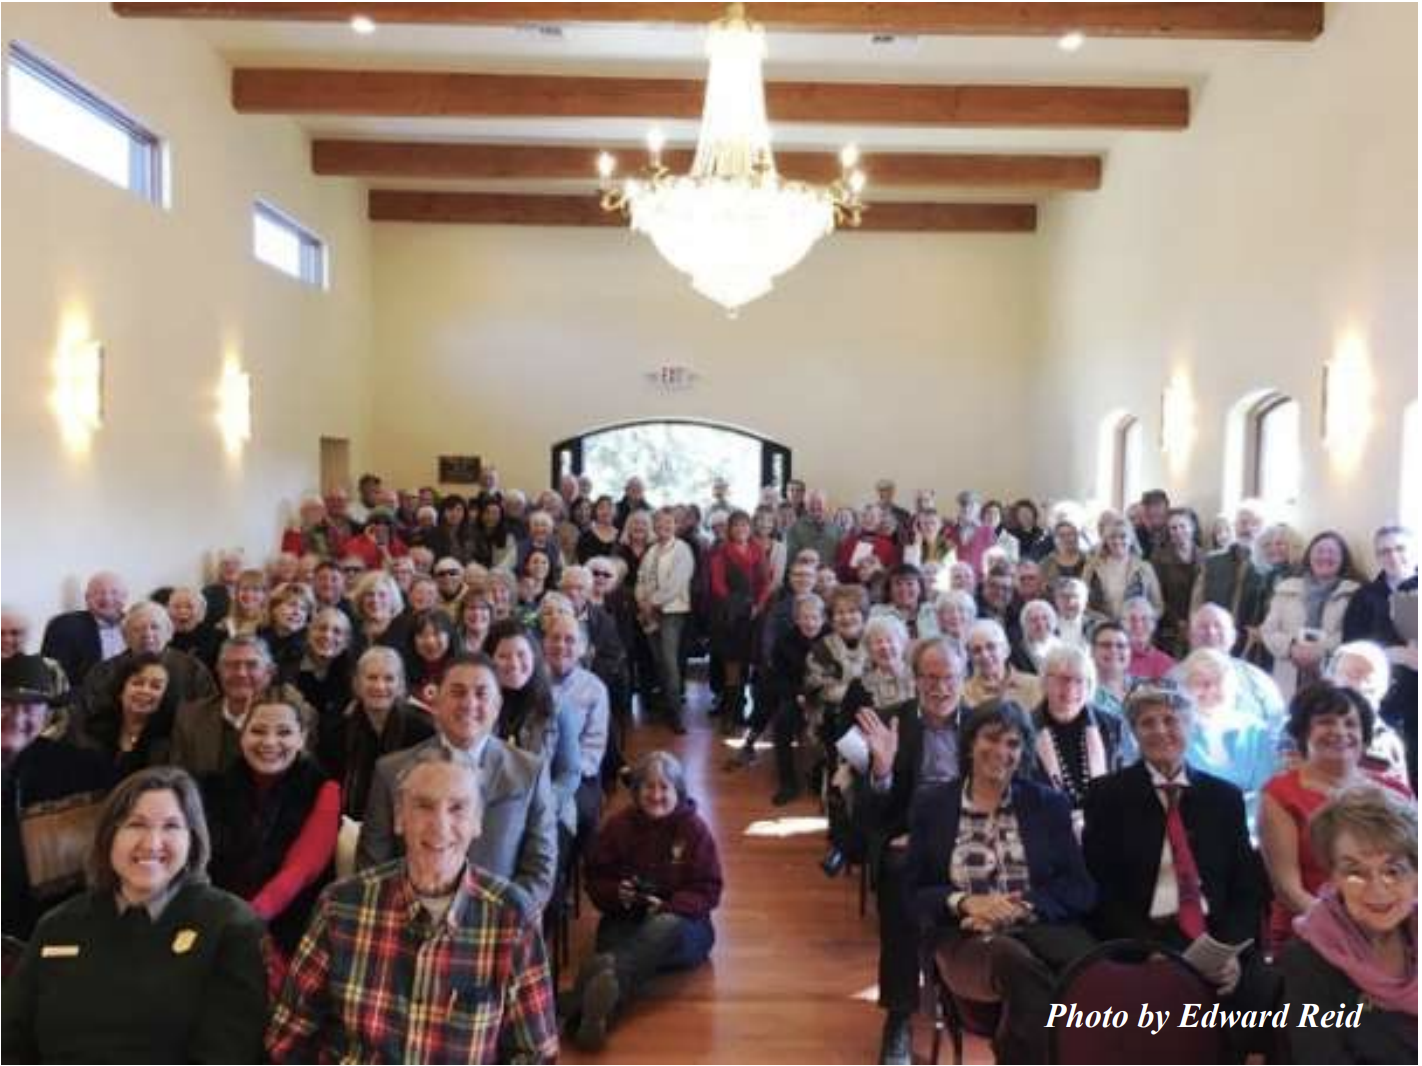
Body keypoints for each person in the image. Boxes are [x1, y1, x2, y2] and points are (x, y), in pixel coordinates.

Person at [266, 748, 559, 1063]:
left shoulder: (512, 916)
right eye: (424, 806)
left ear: (477, 823)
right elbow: (290, 1035)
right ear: (399, 818)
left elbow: (535, 1055)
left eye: (457, 808)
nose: (440, 825)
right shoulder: (340, 906)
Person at [2, 766, 268, 1062]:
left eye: (171, 826)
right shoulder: (58, 925)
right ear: (108, 835)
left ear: (192, 839)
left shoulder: (231, 925)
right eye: (136, 824)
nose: (152, 843)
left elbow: (226, 1054)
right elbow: (11, 1042)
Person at [1083, 685, 1273, 1053]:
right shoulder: (1107, 796)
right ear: (1134, 733)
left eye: (1171, 720)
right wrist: (1148, 950)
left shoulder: (1225, 797)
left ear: (1190, 726)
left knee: (1267, 996)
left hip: (1215, 937)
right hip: (1143, 938)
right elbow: (1101, 891)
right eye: (1147, 722)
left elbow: (1247, 889)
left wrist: (1231, 951)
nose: (1160, 730)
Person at [907, 699, 1097, 1065]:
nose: (1002, 751)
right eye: (992, 739)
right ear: (969, 743)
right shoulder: (933, 805)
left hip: (1039, 929)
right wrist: (964, 902)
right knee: (1012, 960)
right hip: (963, 939)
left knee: (1098, 970)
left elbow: (1080, 888)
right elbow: (912, 893)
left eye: (1013, 744)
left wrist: (1019, 906)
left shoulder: (1047, 805)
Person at [355, 653, 557, 911]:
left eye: (481, 694)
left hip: (497, 924)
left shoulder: (528, 771)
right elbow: (373, 865)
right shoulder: (391, 771)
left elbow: (540, 867)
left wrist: (505, 920)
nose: (469, 703)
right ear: (437, 701)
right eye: (457, 692)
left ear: (497, 706)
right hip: (407, 921)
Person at [855, 637, 970, 1063]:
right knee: (901, 881)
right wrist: (881, 771)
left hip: (970, 837)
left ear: (964, 678)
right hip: (908, 840)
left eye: (949, 678)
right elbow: (867, 815)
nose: (940, 688)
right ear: (916, 678)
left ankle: (973, 995)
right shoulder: (892, 723)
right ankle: (900, 1016)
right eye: (931, 678)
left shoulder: (981, 725)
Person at [574, 750, 723, 1051]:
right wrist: (618, 892)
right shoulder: (619, 827)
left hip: (683, 924)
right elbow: (595, 877)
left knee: (664, 928)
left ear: (677, 792)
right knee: (623, 944)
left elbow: (709, 889)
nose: (656, 795)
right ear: (637, 790)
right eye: (648, 787)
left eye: (664, 787)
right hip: (628, 917)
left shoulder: (694, 829)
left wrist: (667, 907)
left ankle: (591, 991)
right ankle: (596, 1014)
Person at [1260, 683, 1412, 950]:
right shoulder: (1280, 794)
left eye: (1351, 723)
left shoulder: (1396, 791)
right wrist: (1354, 931)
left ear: (1364, 735)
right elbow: (1287, 890)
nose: (1340, 731)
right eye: (1326, 722)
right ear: (1304, 732)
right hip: (1313, 932)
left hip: (1393, 928)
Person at [1279, 786, 1417, 1063]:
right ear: (1333, 877)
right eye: (1355, 871)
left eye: (1393, 870)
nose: (1377, 889)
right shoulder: (1306, 961)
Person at [204, 696, 339, 967]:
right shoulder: (210, 787)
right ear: (242, 735)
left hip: (291, 928)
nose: (269, 742)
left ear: (302, 738)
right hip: (218, 917)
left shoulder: (325, 789)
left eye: (284, 732)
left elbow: (301, 869)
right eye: (258, 731)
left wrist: (247, 921)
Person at [2, 654, 114, 939]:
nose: (17, 718)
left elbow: (98, 860)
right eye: (5, 704)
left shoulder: (82, 768)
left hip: (50, 931)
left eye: (31, 708)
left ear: (47, 716)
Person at [1342, 524, 1417, 786]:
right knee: (1382, 770)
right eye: (1384, 551)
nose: (1393, 556)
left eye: (1400, 548)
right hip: (1380, 695)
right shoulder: (1365, 596)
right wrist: (1391, 654)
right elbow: (1350, 646)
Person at [1178, 648, 1277, 827]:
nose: (1209, 688)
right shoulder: (1173, 732)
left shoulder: (1256, 732)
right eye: (1199, 681)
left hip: (1249, 832)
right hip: (1188, 832)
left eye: (1217, 680)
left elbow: (1266, 794)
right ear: (1185, 688)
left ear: (1232, 687)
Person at [1261, 530, 1362, 700]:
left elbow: (1354, 635)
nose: (1325, 557)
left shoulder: (1356, 593)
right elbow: (1268, 630)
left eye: (1332, 552)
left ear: (1343, 558)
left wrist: (1320, 650)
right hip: (1288, 676)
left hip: (1335, 677)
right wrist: (1291, 647)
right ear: (1309, 556)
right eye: (1320, 551)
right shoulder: (1286, 589)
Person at [1032, 643, 1123, 825]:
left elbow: (1124, 784)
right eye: (1063, 680)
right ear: (1045, 682)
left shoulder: (1112, 726)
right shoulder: (1025, 730)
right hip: (1046, 828)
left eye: (1080, 680)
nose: (1071, 689)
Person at [636, 507, 695, 734]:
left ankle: (675, 714)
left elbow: (677, 582)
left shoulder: (683, 550)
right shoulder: (651, 551)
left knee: (670, 663)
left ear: (675, 526)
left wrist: (654, 602)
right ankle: (665, 706)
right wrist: (642, 600)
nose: (663, 528)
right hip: (649, 612)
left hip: (672, 611)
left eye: (668, 524)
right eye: (659, 524)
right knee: (658, 661)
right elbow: (641, 578)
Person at [75, 651, 179, 775]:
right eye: (137, 683)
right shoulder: (92, 731)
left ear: (165, 698)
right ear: (121, 690)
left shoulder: (173, 740)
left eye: (155, 686)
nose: (145, 691)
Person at [40, 571, 129, 687]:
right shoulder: (64, 627)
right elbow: (54, 680)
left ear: (125, 597)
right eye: (99, 593)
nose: (107, 598)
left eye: (115, 593)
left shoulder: (139, 626)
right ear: (87, 598)